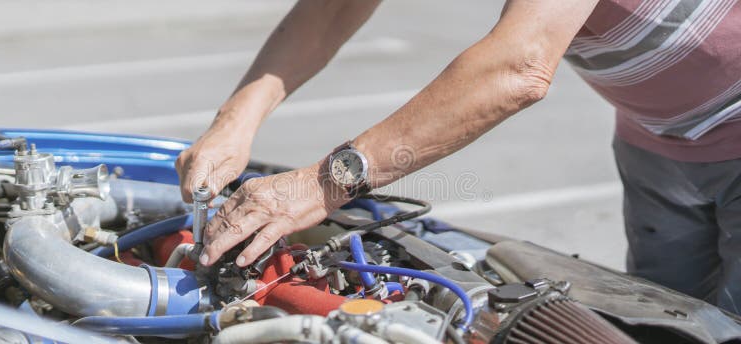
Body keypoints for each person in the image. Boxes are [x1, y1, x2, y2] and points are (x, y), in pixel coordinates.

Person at [175, 0, 741, 313]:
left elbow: (519, 67)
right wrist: (236, 120)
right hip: (657, 141)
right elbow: (333, 8)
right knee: (670, 323)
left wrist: (325, 183)